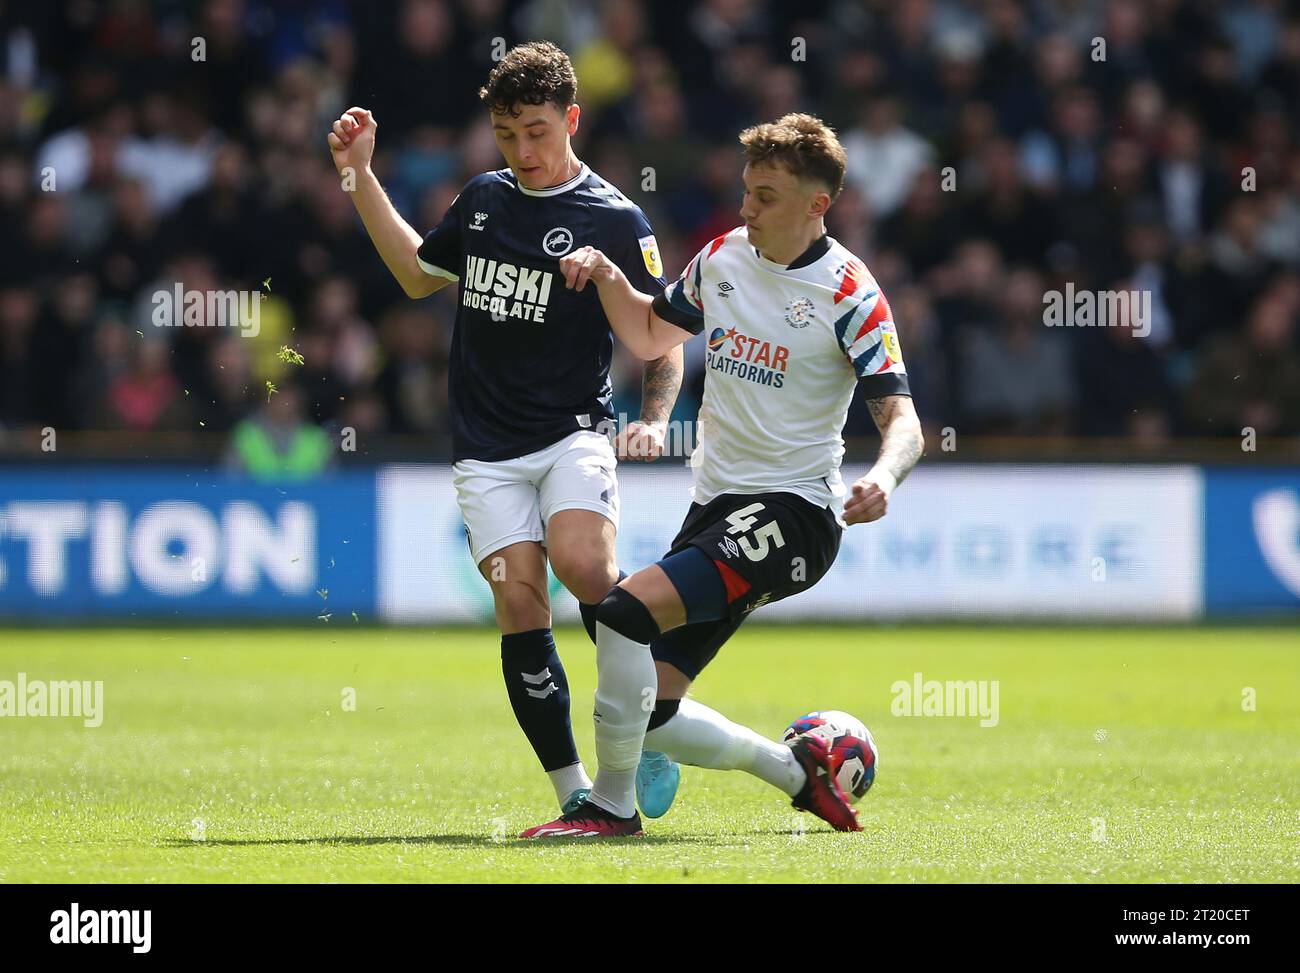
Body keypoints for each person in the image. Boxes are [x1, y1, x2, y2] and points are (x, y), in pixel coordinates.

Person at [521, 113, 924, 838]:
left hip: (795, 515)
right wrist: (613, 278)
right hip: (717, 506)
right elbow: (651, 335)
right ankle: (799, 773)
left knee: (619, 614)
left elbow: (905, 422)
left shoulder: (852, 294)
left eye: (765, 196)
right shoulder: (722, 259)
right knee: (650, 706)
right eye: (746, 190)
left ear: (816, 206)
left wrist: (885, 478)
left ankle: (609, 808)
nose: (746, 209)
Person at [326, 41, 683, 814]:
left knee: (585, 564)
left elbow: (662, 341)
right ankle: (576, 794)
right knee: (519, 602)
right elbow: (417, 274)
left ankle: (647, 726)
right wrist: (359, 174)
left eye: (538, 131)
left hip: (572, 430)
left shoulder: (617, 218)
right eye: (508, 133)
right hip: (485, 447)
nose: (524, 151)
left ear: (572, 120)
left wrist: (653, 421)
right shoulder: (484, 200)